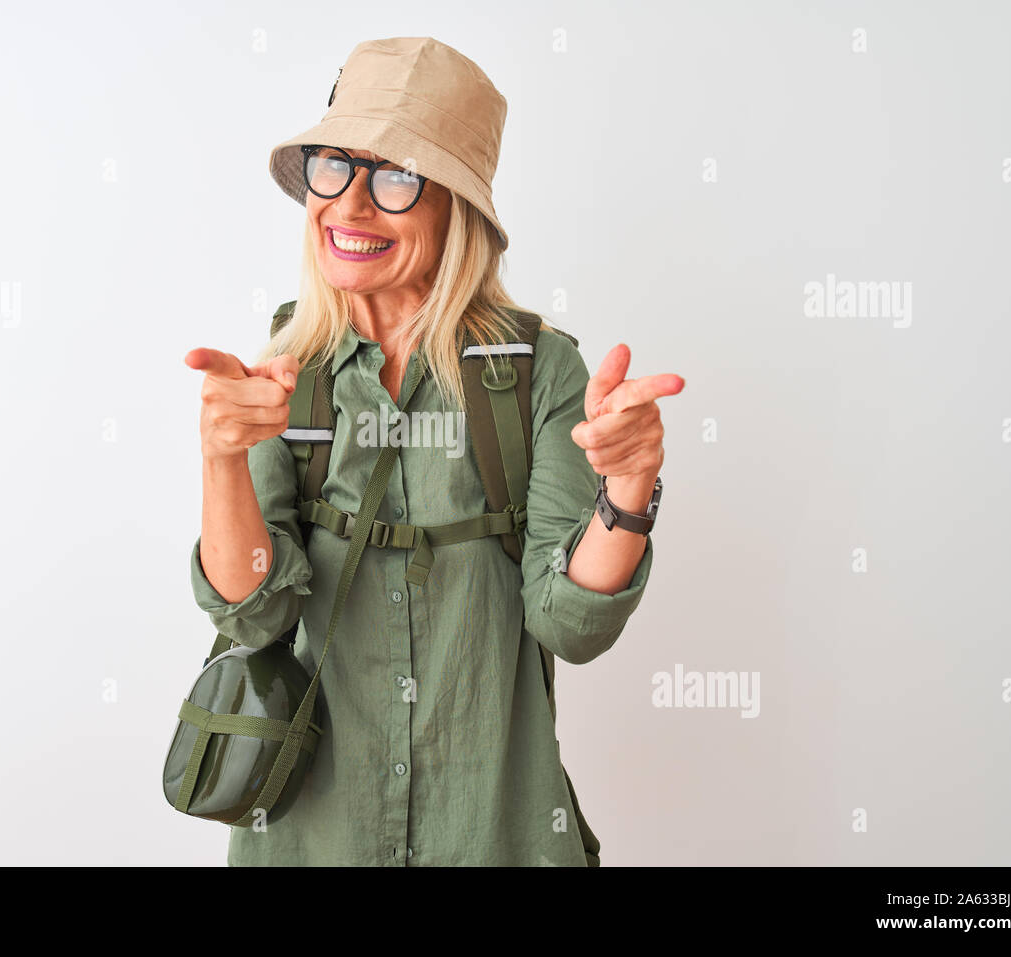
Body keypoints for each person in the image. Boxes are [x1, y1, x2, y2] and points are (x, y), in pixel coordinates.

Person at [184, 37, 684, 866]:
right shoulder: (287, 365)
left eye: (394, 176)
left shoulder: (536, 372)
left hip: (495, 832)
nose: (348, 207)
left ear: (457, 208)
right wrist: (220, 459)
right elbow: (256, 612)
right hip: (313, 841)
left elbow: (569, 623)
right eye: (333, 167)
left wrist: (628, 487)